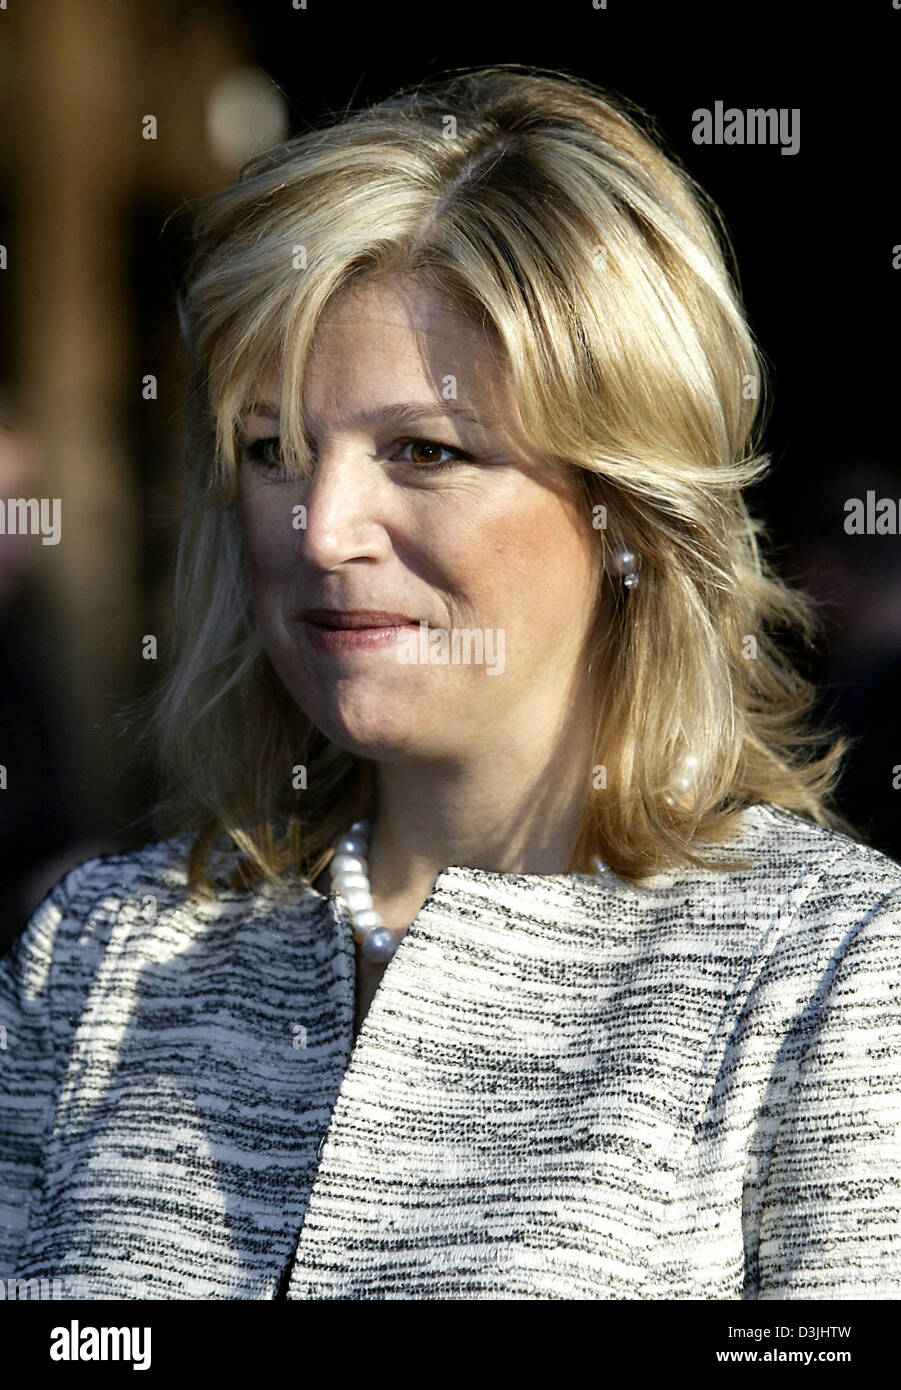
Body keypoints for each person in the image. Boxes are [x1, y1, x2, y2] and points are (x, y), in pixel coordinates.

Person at [1, 64, 899, 1301]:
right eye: (275, 450)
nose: (321, 530)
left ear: (625, 507)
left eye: (423, 451)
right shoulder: (100, 955)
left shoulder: (829, 977)